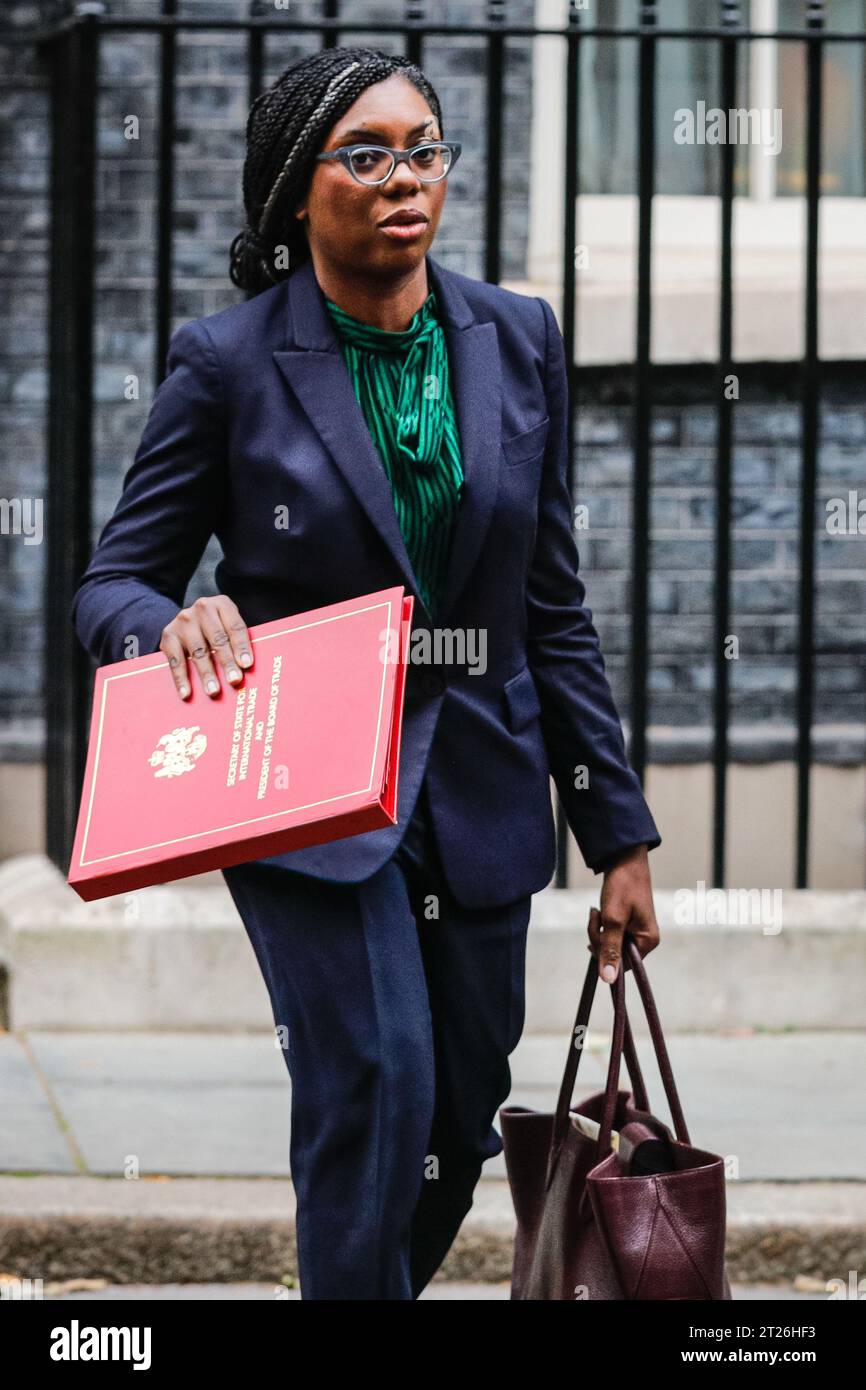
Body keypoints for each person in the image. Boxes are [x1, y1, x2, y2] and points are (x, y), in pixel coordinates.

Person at [70, 45, 661, 1300]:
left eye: (423, 150)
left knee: (457, 1110)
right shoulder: (228, 363)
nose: (406, 178)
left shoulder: (515, 340)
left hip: (484, 783)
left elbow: (548, 602)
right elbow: (112, 581)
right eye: (367, 154)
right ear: (299, 188)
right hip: (306, 793)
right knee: (373, 1078)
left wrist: (617, 831)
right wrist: (167, 625)